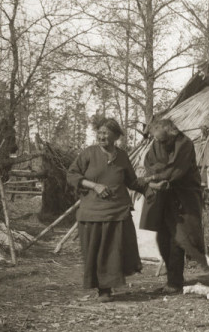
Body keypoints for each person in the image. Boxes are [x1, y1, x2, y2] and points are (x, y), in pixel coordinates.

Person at [67, 118, 159, 302]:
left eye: (106, 134)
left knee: (113, 251)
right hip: (93, 212)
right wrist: (94, 186)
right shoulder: (88, 154)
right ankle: (102, 289)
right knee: (96, 251)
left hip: (117, 211)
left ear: (116, 137)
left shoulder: (122, 156)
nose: (101, 137)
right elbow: (72, 175)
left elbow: (132, 182)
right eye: (99, 133)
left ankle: (107, 288)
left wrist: (150, 186)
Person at [140, 117, 208, 294]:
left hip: (183, 197)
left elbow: (177, 168)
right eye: (158, 139)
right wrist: (158, 174)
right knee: (162, 237)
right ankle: (174, 278)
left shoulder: (184, 144)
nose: (160, 142)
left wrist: (156, 176)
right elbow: (149, 162)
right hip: (163, 196)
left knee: (179, 238)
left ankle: (175, 282)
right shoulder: (157, 142)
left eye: (163, 139)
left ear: (172, 132)